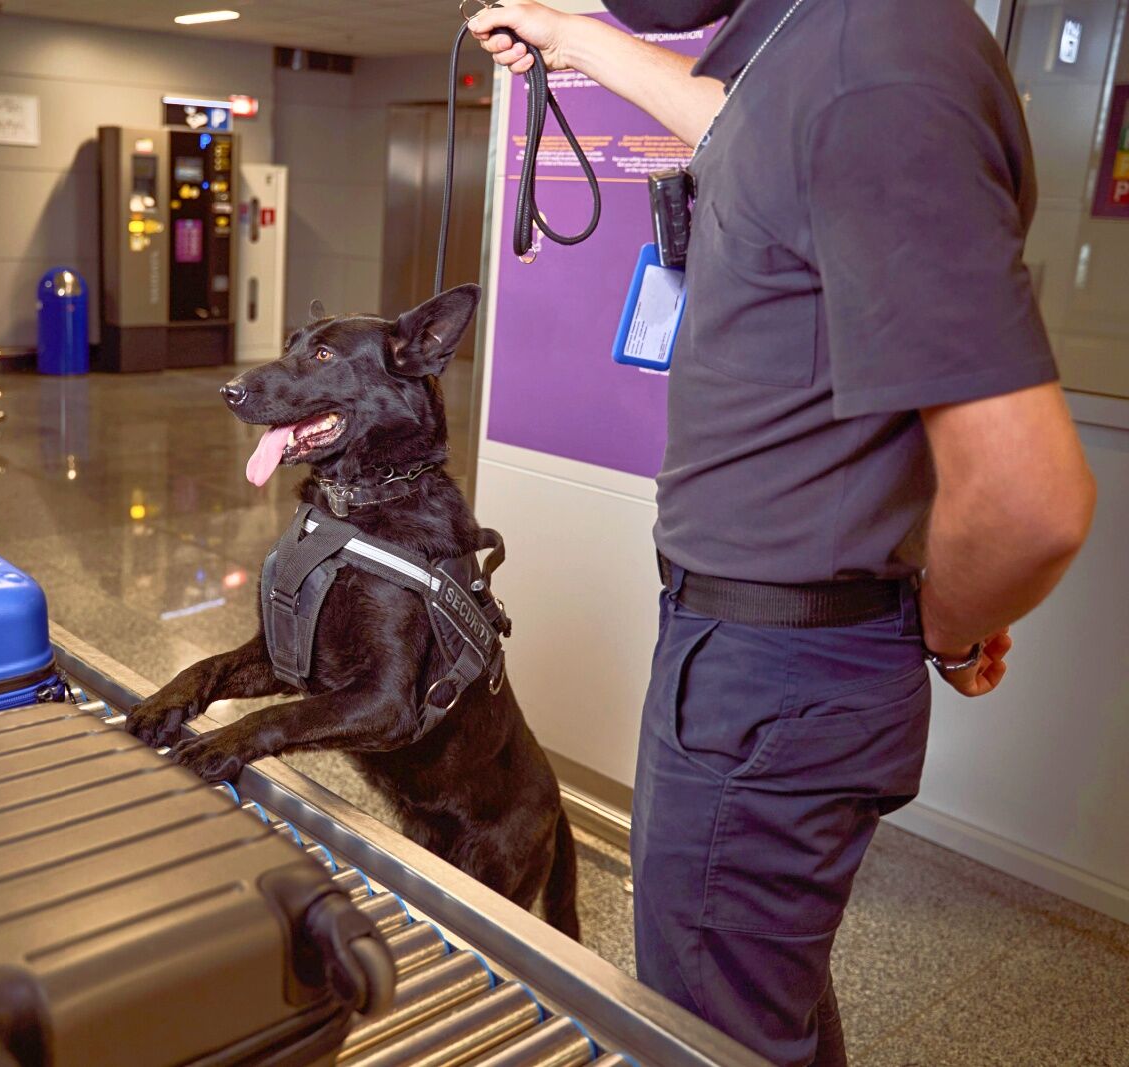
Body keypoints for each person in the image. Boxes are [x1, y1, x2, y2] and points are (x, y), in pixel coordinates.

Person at [469, 1, 1097, 1065]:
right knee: (763, 1011)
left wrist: (942, 624)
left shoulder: (872, 71)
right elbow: (732, 124)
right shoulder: (814, 48)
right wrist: (568, 37)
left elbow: (1030, 499)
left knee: (706, 1035)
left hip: (778, 667)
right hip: (751, 651)